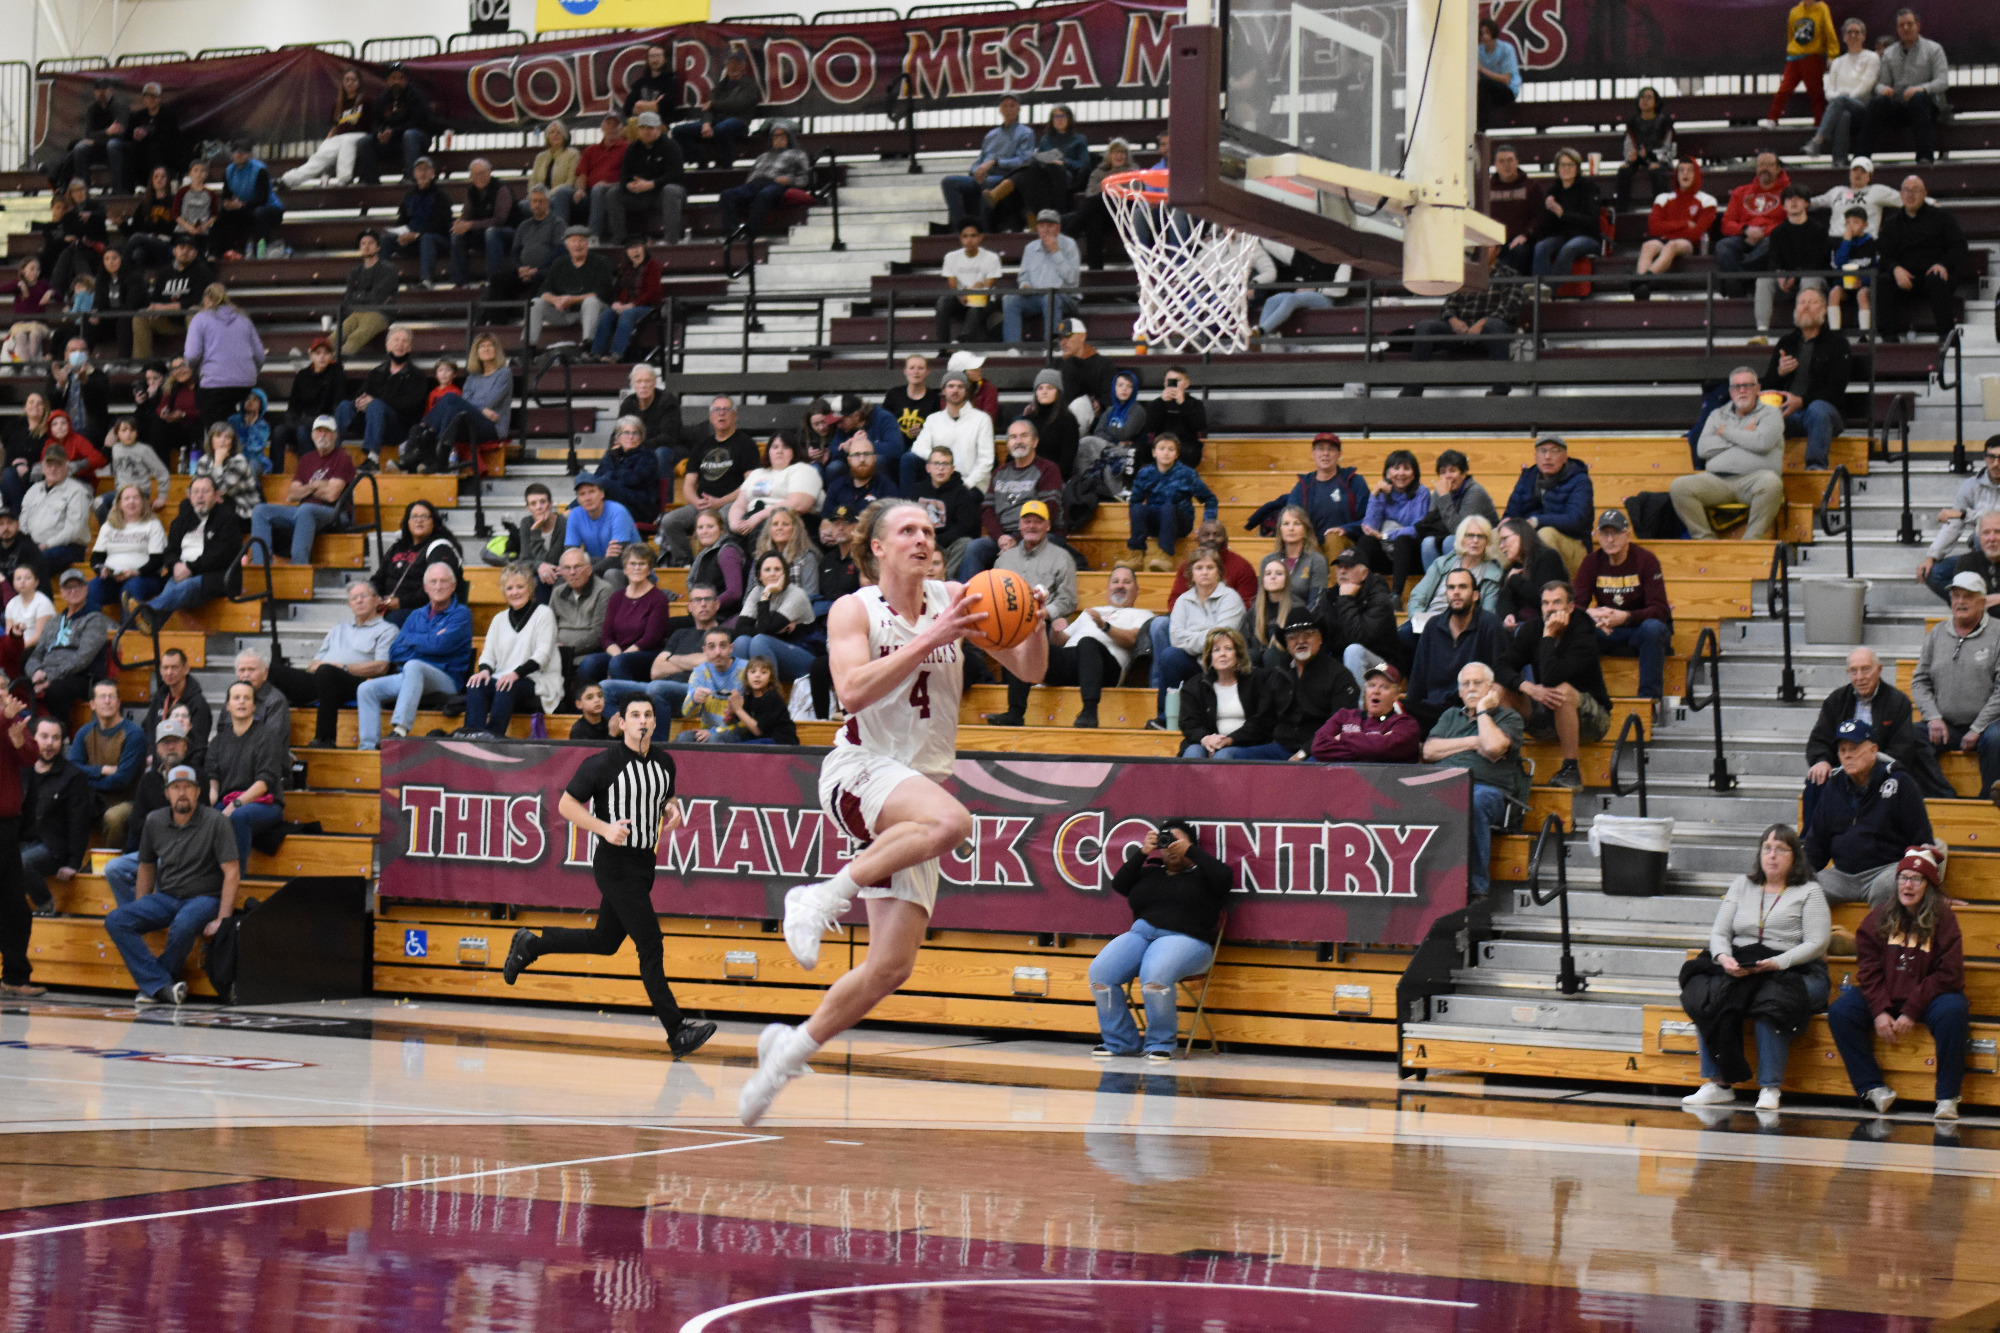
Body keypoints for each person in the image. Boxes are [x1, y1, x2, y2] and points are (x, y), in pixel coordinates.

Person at [740, 500, 1050, 1124]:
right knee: (952, 824)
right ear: (876, 546)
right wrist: (932, 638)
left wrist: (1033, 622)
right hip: (861, 768)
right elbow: (851, 691)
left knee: (890, 966)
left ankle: (786, 1054)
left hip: (919, 784)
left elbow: (1033, 671)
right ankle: (821, 897)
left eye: (930, 531)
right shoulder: (855, 608)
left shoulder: (962, 595)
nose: (922, 540)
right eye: (907, 530)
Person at [501, 691, 715, 1052]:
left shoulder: (665, 763)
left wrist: (672, 810)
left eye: (648, 714)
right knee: (650, 943)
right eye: (635, 715)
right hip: (615, 864)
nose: (643, 721)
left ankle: (531, 945)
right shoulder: (602, 764)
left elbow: (666, 796)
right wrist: (603, 828)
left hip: (646, 864)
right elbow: (567, 805)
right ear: (622, 723)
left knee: (605, 942)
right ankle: (676, 1029)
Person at [1678, 825, 1830, 1115]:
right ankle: (1718, 1084)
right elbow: (1719, 933)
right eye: (1767, 848)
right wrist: (1724, 958)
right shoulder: (1741, 885)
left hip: (1793, 968)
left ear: (1794, 856)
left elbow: (1817, 942)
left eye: (1781, 849)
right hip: (1743, 963)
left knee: (1769, 1000)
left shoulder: (1809, 891)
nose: (1772, 855)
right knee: (1706, 993)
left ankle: (1770, 1087)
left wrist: (1779, 962)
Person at [1826, 846, 1966, 1120]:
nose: (1908, 884)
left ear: (1929, 885)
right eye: (1903, 878)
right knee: (1841, 1012)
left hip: (1928, 997)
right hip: (1888, 991)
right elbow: (1868, 970)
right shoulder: (1878, 917)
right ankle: (1873, 1088)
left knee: (1954, 1010)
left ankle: (1947, 1097)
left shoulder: (1945, 920)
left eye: (1916, 878)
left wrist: (1911, 1009)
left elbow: (1948, 974)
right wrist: (1879, 1011)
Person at [1087, 819, 1232, 1061]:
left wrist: (1191, 852)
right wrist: (1143, 852)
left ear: (1191, 845)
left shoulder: (1205, 875)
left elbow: (1226, 878)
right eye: (1166, 842)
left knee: (1155, 975)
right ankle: (1120, 1042)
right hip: (1141, 934)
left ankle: (1160, 1043)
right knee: (1101, 973)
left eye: (1177, 842)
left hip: (1187, 938)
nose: (1170, 848)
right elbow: (1120, 884)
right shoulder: (1150, 872)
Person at [101, 763, 237, 1006]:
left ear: (198, 792)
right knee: (116, 920)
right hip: (166, 896)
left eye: (188, 787)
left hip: (205, 898)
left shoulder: (217, 822)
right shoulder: (154, 820)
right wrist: (142, 906)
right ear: (167, 793)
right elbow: (146, 866)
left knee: (183, 925)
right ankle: (162, 985)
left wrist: (222, 919)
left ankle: (155, 985)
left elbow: (232, 871)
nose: (182, 792)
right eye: (176, 787)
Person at [990, 563, 1152, 730]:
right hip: (1072, 661)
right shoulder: (1092, 611)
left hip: (1108, 668)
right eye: (1115, 581)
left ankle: (1089, 711)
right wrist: (1054, 629)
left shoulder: (1143, 614)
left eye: (1126, 582)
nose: (1120, 586)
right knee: (1027, 644)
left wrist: (1103, 625)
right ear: (1108, 588)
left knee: (1087, 642)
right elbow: (1060, 641)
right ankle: (1015, 712)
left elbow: (1134, 639)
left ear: (1137, 590)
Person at [1803, 718, 1940, 910]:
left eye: (1854, 749)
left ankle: (1880, 940)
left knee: (1886, 887)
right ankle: (1815, 940)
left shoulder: (1901, 782)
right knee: (1804, 889)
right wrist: (1795, 877)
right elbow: (1816, 844)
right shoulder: (1833, 786)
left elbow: (1921, 839)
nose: (1847, 756)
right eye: (1842, 750)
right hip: (1842, 876)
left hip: (1886, 870)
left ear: (1873, 750)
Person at [1423, 663, 1529, 898]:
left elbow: (1493, 747)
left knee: (1473, 800)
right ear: (1459, 691)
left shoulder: (1509, 717)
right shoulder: (1450, 716)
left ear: (1491, 688)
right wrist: (1473, 742)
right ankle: (1419, 883)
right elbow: (1429, 751)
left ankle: (1475, 890)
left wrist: (1482, 711)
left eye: (1477, 683)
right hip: (1445, 785)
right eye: (1465, 684)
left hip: (1489, 792)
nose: (1471, 689)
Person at [1807, 651, 1952, 816]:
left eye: (1866, 669)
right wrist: (1821, 760)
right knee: (1816, 779)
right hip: (1843, 771)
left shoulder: (1898, 701)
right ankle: (1809, 838)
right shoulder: (1836, 700)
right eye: (1854, 671)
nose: (1860, 677)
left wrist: (1868, 767)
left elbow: (1901, 751)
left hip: (1881, 773)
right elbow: (1819, 740)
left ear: (1879, 670)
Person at [1497, 580, 1610, 789]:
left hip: (1592, 720)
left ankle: (1571, 769)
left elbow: (1552, 677)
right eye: (1545, 603)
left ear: (1570, 606)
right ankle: (1504, 763)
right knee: (1498, 690)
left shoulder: (1584, 631)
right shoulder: (1532, 629)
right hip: (1547, 714)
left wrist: (1548, 635)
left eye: (1556, 602)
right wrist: (1527, 687)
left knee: (1561, 690)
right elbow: (1501, 666)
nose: (1550, 608)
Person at [354, 562, 473, 749]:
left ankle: (400, 730)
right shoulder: (416, 615)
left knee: (414, 665)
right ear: (425, 587)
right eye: (433, 582)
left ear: (453, 586)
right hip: (411, 676)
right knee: (366, 689)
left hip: (447, 679)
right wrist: (428, 640)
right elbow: (394, 651)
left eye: (443, 581)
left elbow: (440, 645)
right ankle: (368, 747)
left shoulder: (461, 614)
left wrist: (410, 640)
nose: (438, 586)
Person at [269, 580, 396, 750]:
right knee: (270, 671)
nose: (359, 601)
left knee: (327, 671)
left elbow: (382, 667)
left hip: (358, 683)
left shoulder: (387, 629)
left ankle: (325, 738)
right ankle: (268, 739)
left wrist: (342, 667)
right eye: (354, 598)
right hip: (324, 679)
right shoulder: (338, 629)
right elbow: (313, 664)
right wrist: (325, 667)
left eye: (363, 596)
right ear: (349, 604)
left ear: (377, 600)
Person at [1912, 572, 2000, 807]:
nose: (1960, 602)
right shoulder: (1936, 634)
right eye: (1956, 596)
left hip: (1990, 725)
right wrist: (1933, 718)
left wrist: (1978, 727)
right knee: (1909, 736)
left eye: (1968, 597)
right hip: (1947, 725)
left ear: (1983, 601)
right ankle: (1944, 798)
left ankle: (1988, 804)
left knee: (1997, 739)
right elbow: (1919, 681)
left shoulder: (1998, 633)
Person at [1673, 366, 1787, 540]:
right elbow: (1703, 449)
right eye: (1737, 386)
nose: (1742, 390)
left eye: (1748, 385)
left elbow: (1762, 442)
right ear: (1730, 391)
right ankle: (1705, 539)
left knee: (1772, 483)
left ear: (1758, 388)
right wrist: (1743, 432)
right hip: (1717, 480)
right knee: (1679, 487)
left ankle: (1751, 540)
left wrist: (1726, 432)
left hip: (1755, 480)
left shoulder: (1771, 413)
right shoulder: (1717, 414)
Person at [1572, 510, 1672, 701]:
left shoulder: (1646, 560)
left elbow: (1660, 610)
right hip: (1608, 630)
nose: (1610, 539)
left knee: (1653, 628)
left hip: (1639, 630)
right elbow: (1575, 606)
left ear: (1627, 535)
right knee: (1578, 627)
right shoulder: (1592, 561)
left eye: (1616, 533)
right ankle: (1586, 699)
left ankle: (1648, 701)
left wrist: (1626, 617)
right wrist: (1590, 615)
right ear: (1598, 537)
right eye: (1605, 534)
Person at [461, 564, 562, 740]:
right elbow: (488, 654)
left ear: (530, 588)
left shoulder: (544, 614)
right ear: (504, 592)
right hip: (504, 677)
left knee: (507, 684)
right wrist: (484, 670)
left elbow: (543, 655)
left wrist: (515, 674)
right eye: (509, 588)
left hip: (537, 680)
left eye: (520, 587)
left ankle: (493, 738)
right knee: (476, 683)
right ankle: (473, 736)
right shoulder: (498, 619)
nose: (515, 592)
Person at [602, 583, 726, 719]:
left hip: (693, 689)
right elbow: (656, 670)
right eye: (697, 600)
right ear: (689, 606)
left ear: (717, 605)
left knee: (656, 688)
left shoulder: (724, 634)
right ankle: (626, 725)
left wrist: (672, 659)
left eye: (707, 599)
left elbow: (710, 661)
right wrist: (692, 663)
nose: (703, 604)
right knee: (604, 688)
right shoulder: (680, 634)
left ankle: (653, 737)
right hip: (661, 686)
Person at [661, 396, 760, 565]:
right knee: (670, 521)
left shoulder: (746, 444)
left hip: (732, 503)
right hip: (702, 505)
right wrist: (697, 502)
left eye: (726, 410)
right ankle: (685, 562)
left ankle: (718, 563)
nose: (721, 414)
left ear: (735, 416)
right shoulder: (701, 446)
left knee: (721, 518)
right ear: (711, 417)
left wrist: (721, 501)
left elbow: (751, 483)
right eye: (717, 410)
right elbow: (688, 484)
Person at [1402, 258, 1521, 396]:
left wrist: (1483, 323)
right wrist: (1453, 320)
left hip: (1488, 333)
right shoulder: (1467, 274)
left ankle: (1501, 390)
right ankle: (1411, 390)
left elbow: (1510, 307)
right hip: (1460, 331)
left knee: (1495, 325)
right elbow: (1448, 305)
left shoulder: (1509, 275)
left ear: (1497, 250)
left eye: (1487, 245)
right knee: (1425, 326)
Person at [1406, 569, 1505, 733]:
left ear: (1475, 595)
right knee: (1400, 709)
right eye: (1451, 588)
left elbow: (1500, 677)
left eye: (1462, 587)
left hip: (1471, 709)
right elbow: (1417, 679)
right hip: (1433, 711)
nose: (1456, 592)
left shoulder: (1490, 625)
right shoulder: (1432, 626)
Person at [1761, 286, 1849, 470]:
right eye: (1801, 303)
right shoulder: (1786, 342)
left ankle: (1815, 469)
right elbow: (1766, 387)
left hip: (1825, 416)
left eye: (1812, 302)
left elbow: (1836, 389)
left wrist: (1801, 401)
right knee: (1764, 414)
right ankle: (1760, 469)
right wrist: (1779, 373)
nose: (1806, 307)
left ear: (1824, 309)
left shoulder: (1837, 343)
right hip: (1789, 414)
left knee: (1817, 410)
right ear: (1795, 310)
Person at [247, 415, 352, 567]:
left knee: (305, 509)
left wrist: (306, 489)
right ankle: (261, 566)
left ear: (335, 436)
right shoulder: (306, 459)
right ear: (312, 435)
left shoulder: (342, 458)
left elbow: (331, 495)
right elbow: (292, 495)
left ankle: (298, 566)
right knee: (260, 510)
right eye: (319, 431)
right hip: (304, 511)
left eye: (327, 431)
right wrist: (316, 485)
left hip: (334, 513)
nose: (322, 435)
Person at [1875, 175, 1966, 344]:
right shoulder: (1891, 223)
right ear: (1900, 195)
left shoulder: (1942, 217)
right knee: (1883, 280)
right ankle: (1889, 338)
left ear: (1925, 193)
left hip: (1934, 275)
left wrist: (1943, 264)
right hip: (1905, 279)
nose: (1910, 195)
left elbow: (1959, 246)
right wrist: (1895, 268)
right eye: (1906, 191)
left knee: (1937, 279)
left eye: (1915, 191)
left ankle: (1947, 337)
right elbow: (1883, 255)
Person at [207, 679, 286, 876]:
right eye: (236, 698)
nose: (241, 702)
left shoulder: (267, 737)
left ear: (254, 705)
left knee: (238, 817)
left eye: (246, 698)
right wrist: (211, 800)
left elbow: (264, 782)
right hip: (227, 800)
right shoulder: (218, 741)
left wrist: (236, 804)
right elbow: (213, 776)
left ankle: (236, 878)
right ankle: (205, 878)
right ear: (228, 706)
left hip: (264, 804)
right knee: (206, 818)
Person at [20, 715, 94, 916]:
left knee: (21, 862)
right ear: (33, 738)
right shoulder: (21, 770)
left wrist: (73, 863)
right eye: (44, 737)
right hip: (22, 841)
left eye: (55, 738)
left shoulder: (73, 776)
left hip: (52, 847)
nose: (49, 743)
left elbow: (79, 823)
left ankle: (45, 905)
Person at [1175, 627, 1285, 759]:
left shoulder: (1258, 681)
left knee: (1223, 757)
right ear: (1210, 657)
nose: (1222, 654)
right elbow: (1189, 723)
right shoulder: (1194, 686)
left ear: (1238, 655)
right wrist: (1206, 739)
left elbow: (1261, 722)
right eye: (1216, 650)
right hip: (1206, 742)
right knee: (1193, 752)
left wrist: (1230, 740)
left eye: (1228, 649)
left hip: (1244, 744)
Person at [411, 332, 512, 476]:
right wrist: (481, 409)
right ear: (476, 352)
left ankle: (424, 434)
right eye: (482, 346)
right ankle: (441, 459)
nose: (486, 349)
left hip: (492, 427)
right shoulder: (472, 377)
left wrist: (478, 408)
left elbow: (489, 400)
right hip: (471, 421)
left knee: (451, 397)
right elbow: (465, 402)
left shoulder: (504, 373)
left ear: (497, 350)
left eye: (490, 345)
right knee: (451, 407)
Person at [578, 545, 675, 687]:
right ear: (625, 569)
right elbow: (606, 636)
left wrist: (621, 657)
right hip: (618, 654)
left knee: (619, 663)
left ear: (649, 569)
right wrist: (618, 654)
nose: (637, 568)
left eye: (642, 564)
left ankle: (629, 705)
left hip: (646, 654)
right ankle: (585, 708)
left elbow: (651, 638)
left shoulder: (658, 598)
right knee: (590, 663)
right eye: (633, 564)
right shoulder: (616, 597)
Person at [1861, 9, 1948, 164]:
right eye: (1902, 25)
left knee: (1918, 98)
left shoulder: (1934, 49)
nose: (1906, 28)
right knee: (1876, 102)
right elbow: (1880, 83)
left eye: (1910, 24)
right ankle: (1861, 159)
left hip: (1925, 107)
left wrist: (1921, 88)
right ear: (1897, 29)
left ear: (1918, 25)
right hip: (1899, 107)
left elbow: (1943, 81)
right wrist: (1882, 89)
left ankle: (1924, 158)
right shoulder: (1889, 53)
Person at [335, 323, 427, 471]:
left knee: (376, 405)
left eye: (404, 341)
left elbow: (410, 405)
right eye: (396, 340)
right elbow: (362, 394)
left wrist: (376, 402)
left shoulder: (417, 375)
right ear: (388, 345)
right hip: (372, 421)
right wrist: (360, 402)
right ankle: (332, 453)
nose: (400, 344)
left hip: (399, 428)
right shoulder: (377, 372)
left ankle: (372, 458)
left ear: (410, 347)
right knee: (345, 405)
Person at [1917, 439, 2000, 598]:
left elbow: (1994, 521)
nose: (1996, 463)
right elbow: (1952, 524)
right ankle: (1971, 609)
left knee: (1981, 535)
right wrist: (1932, 556)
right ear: (1984, 457)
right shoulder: (1971, 486)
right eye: (1991, 457)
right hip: (1982, 558)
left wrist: (1964, 514)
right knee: (1933, 573)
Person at [941, 96, 1037, 231]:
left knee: (989, 182)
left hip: (1006, 177)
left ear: (1019, 109)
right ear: (1000, 109)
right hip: (984, 175)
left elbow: (1023, 160)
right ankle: (961, 228)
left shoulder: (1026, 133)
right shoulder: (991, 135)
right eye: (1005, 105)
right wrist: (976, 171)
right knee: (949, 182)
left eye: (1012, 105)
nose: (1008, 109)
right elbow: (981, 159)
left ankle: (983, 229)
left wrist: (996, 163)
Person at [1502, 435, 1594, 575]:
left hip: (1574, 546)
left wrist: (1536, 521)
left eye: (1554, 451)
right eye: (1542, 451)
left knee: (1546, 534)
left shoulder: (1580, 480)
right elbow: (1511, 513)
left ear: (1564, 457)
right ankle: (1497, 591)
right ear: (1535, 456)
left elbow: (1575, 519)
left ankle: (1544, 589)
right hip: (1529, 543)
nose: (1547, 456)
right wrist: (1508, 525)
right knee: (1496, 536)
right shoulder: (1528, 477)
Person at [27, 570, 111, 721]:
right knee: (20, 681)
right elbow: (37, 653)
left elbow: (82, 658)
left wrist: (50, 677)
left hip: (81, 676)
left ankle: (60, 733)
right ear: (62, 593)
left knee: (56, 690)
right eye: (68, 588)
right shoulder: (53, 621)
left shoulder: (95, 619)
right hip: (48, 672)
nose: (73, 591)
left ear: (86, 589)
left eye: (78, 586)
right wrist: (35, 672)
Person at [70, 678, 145, 849]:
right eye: (102, 697)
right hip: (93, 798)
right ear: (92, 704)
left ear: (118, 703)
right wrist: (100, 770)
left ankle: (108, 866)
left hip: (127, 801)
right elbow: (71, 768)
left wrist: (85, 780)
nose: (107, 701)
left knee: (113, 817)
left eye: (111, 697)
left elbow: (120, 780)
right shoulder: (84, 732)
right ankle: (72, 863)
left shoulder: (134, 734)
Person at [1754, 186, 1831, 342]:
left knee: (1809, 279)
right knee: (1763, 280)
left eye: (1798, 198)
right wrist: (1780, 275)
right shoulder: (1777, 232)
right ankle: (1762, 333)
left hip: (1813, 279)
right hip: (1787, 281)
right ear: (1783, 206)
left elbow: (1817, 262)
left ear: (1807, 204)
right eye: (1789, 199)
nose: (1793, 201)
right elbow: (1774, 260)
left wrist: (1795, 276)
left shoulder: (1819, 230)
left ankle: (1804, 331)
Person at [1354, 450, 1431, 601]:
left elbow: (1417, 529)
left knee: (1403, 539)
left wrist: (1386, 535)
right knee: (1365, 541)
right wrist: (1375, 494)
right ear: (1388, 473)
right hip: (1387, 554)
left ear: (1414, 474)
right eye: (1396, 468)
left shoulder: (1422, 493)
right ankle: (1360, 593)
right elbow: (1370, 527)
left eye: (1406, 468)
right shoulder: (1382, 493)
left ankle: (1396, 596)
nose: (1401, 473)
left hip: (1411, 556)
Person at [905, 371, 995, 496]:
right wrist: (940, 460)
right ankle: (904, 507)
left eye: (960, 386)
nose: (955, 390)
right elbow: (918, 447)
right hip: (939, 481)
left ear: (966, 391)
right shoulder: (933, 419)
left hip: (970, 484)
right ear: (943, 391)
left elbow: (986, 461)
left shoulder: (982, 419)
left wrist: (966, 484)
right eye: (951, 386)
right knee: (908, 459)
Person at [993, 500, 1078, 633]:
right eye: (1027, 521)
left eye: (1038, 521)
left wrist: (1044, 613)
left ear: (1048, 526)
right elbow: (994, 594)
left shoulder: (1062, 557)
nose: (1032, 526)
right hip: (1008, 622)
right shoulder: (1004, 559)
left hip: (1044, 623)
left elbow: (1068, 600)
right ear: (1020, 525)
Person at [1323, 547, 1405, 683]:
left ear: (1364, 573)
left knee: (1353, 651)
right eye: (1339, 567)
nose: (1342, 571)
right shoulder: (1330, 596)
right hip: (1345, 660)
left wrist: (1346, 600)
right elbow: (1327, 638)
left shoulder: (1379, 598)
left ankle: (1360, 704)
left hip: (1386, 665)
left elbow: (1359, 638)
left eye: (1348, 567)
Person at [1311, 661, 1419, 764]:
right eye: (1371, 685)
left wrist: (1343, 737)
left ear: (1395, 695)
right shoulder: (1343, 716)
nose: (1376, 691)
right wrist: (1371, 749)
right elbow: (1318, 746)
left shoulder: (1406, 725)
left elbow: (1381, 748)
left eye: (1384, 687)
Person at [1803, 17, 1878, 163]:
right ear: (1844, 37)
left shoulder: (1872, 57)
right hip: (1841, 108)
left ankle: (1818, 140)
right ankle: (1839, 160)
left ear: (1863, 36)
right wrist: (1840, 98)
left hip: (1862, 109)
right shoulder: (1837, 62)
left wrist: (1845, 98)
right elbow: (1829, 91)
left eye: (1857, 32)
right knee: (1843, 115)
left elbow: (1866, 85)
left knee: (1842, 103)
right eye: (1849, 32)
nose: (1853, 35)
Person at [1715, 152, 1792, 293]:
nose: (1764, 168)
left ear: (1778, 169)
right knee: (1723, 246)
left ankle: (1735, 279)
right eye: (1761, 164)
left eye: (1769, 165)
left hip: (1770, 238)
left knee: (1772, 243)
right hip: (1744, 236)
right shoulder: (1741, 192)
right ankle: (1738, 286)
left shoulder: (1788, 192)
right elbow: (1726, 224)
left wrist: (1763, 232)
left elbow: (1789, 223)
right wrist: (1745, 230)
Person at [282, 68, 372, 190]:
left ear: (359, 82)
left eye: (353, 80)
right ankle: (288, 180)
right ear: (343, 83)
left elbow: (371, 124)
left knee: (348, 142)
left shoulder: (366, 101)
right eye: (347, 80)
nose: (350, 83)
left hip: (360, 136)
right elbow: (335, 127)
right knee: (319, 157)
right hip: (340, 137)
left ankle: (344, 179)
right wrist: (327, 142)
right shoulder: (339, 103)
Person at [370, 498, 460, 619]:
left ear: (433, 522)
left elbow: (437, 587)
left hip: (419, 609)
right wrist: (373, 597)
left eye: (424, 516)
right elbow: (378, 578)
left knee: (390, 621)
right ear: (407, 522)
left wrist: (401, 602)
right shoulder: (398, 547)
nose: (419, 520)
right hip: (388, 606)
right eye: (414, 516)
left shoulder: (440, 548)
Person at [1004, 210, 1082, 345]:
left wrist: (1055, 252)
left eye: (1050, 225)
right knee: (1009, 300)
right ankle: (1013, 348)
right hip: (1035, 296)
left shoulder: (1069, 245)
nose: (1045, 230)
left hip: (1064, 296)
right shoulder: (1030, 248)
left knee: (1050, 297)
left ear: (1058, 228)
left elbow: (1073, 280)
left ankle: (1050, 346)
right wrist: (1024, 285)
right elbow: (1023, 276)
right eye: (1041, 226)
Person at [672, 48, 760, 168]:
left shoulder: (750, 85)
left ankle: (726, 166)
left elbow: (738, 105)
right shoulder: (720, 86)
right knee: (678, 131)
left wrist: (714, 105)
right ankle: (700, 162)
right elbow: (707, 108)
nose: (733, 66)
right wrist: (706, 123)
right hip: (716, 121)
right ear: (726, 65)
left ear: (743, 65)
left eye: (737, 63)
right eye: (730, 63)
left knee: (721, 129)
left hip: (739, 122)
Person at [529, 226, 614, 348]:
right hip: (565, 312)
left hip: (592, 312)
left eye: (581, 240)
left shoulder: (601, 262)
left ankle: (588, 345)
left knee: (590, 302)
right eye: (573, 241)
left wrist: (571, 299)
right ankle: (529, 348)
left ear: (588, 243)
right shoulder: (559, 263)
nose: (577, 245)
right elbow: (543, 291)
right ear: (567, 245)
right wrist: (555, 300)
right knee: (535, 303)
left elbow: (603, 292)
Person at [728, 433, 823, 542]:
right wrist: (735, 524)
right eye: (775, 447)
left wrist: (757, 518)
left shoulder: (803, 469)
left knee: (759, 534)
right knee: (728, 543)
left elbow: (799, 504)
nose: (779, 451)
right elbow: (740, 504)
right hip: (750, 520)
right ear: (768, 451)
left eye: (786, 447)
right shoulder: (757, 473)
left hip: (784, 522)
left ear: (795, 451)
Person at [91, 481, 166, 616]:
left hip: (144, 577)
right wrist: (102, 570)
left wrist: (135, 572)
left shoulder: (153, 524)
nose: (131, 502)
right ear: (119, 504)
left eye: (136, 498)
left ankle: (127, 635)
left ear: (143, 502)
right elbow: (96, 557)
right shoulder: (108, 526)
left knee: (130, 591)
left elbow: (157, 560)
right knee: (88, 591)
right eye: (127, 498)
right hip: (113, 577)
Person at [610, 113, 687, 245]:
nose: (646, 131)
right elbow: (624, 176)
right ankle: (620, 240)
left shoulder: (671, 146)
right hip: (641, 195)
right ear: (638, 130)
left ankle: (670, 241)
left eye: (650, 128)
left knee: (671, 190)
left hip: (663, 194)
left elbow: (676, 174)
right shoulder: (633, 149)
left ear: (658, 129)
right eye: (643, 128)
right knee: (613, 193)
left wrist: (652, 184)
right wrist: (629, 185)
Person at [1762, 0, 1838, 129]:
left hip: (1812, 57)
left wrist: (1832, 54)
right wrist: (1791, 50)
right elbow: (1791, 35)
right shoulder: (1795, 11)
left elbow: (1829, 32)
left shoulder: (1822, 9)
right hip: (1794, 58)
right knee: (1784, 89)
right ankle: (1772, 118)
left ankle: (1819, 123)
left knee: (1816, 93)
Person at [910, 446, 984, 577]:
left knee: (965, 543)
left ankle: (944, 579)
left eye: (945, 464)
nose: (941, 468)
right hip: (921, 541)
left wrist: (937, 541)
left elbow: (965, 526)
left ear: (952, 469)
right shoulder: (917, 489)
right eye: (936, 463)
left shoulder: (962, 493)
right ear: (928, 468)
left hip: (947, 545)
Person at [20, 447, 93, 581]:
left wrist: (46, 544)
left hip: (68, 547)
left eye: (58, 464)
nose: (53, 469)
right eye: (49, 464)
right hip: (35, 546)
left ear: (67, 468)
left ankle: (39, 598)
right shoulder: (33, 490)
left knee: (38, 561)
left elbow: (74, 530)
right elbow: (23, 523)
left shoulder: (77, 492)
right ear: (43, 468)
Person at [1530, 148, 1601, 281]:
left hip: (1587, 237)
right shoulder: (1553, 190)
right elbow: (1546, 226)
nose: (1566, 168)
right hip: (1562, 236)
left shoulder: (1588, 188)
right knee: (1541, 247)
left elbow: (1591, 220)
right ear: (1557, 168)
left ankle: (1548, 291)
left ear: (1577, 168)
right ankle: (1538, 288)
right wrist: (1548, 210)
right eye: (1563, 165)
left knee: (1569, 248)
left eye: (1570, 165)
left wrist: (1563, 214)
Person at [591, 237, 664, 364]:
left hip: (647, 306)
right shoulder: (624, 268)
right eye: (631, 248)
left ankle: (616, 354)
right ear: (627, 252)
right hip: (626, 305)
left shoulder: (653, 266)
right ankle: (596, 352)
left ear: (644, 249)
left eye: (638, 247)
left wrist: (631, 305)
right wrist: (615, 302)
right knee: (607, 313)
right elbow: (616, 289)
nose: (635, 251)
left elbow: (652, 293)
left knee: (627, 314)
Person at [445, 158, 513, 291]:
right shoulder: (471, 191)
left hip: (508, 233)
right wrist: (459, 225)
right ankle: (460, 283)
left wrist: (470, 225)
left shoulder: (501, 189)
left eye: (482, 173)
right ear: (471, 176)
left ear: (490, 172)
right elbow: (465, 217)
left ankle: (493, 282)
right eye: (475, 174)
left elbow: (500, 220)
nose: (479, 177)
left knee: (492, 232)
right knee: (457, 234)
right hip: (483, 234)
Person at [551, 546, 612, 692]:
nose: (572, 572)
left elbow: (598, 634)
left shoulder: (604, 590)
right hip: (558, 652)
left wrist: (566, 650)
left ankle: (576, 709)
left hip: (590, 653)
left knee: (589, 665)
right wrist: (551, 647)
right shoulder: (557, 592)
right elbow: (548, 627)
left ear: (589, 569)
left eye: (577, 567)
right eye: (567, 568)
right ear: (562, 572)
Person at [212, 141, 284, 262]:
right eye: (236, 152)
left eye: (243, 152)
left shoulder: (260, 170)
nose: (239, 155)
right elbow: (226, 194)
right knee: (221, 215)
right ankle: (218, 253)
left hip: (269, 208)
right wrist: (228, 204)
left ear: (249, 154)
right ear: (232, 154)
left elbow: (263, 199)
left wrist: (242, 205)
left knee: (259, 214)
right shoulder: (228, 171)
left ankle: (259, 254)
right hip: (245, 208)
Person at [387, 156, 452, 287]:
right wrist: (402, 234)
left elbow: (442, 225)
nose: (422, 173)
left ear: (433, 173)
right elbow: (401, 221)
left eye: (426, 169)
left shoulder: (441, 195)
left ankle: (426, 280)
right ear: (414, 173)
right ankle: (383, 280)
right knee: (386, 239)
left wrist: (417, 234)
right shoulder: (409, 196)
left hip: (436, 240)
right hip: (412, 240)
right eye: (419, 170)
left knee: (427, 238)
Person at [141, 647, 211, 765]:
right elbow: (148, 729)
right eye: (165, 668)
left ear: (186, 669)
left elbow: (198, 746)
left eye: (174, 667)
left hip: (185, 768)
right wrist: (150, 755)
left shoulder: (198, 704)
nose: (169, 672)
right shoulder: (159, 697)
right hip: (157, 765)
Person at [563, 472, 641, 576]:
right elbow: (571, 556)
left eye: (592, 491)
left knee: (611, 574)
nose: (588, 498)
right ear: (578, 500)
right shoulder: (575, 515)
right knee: (563, 575)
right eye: (582, 494)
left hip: (631, 570)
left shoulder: (618, 511)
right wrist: (604, 558)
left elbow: (618, 559)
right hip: (598, 569)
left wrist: (586, 570)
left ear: (602, 494)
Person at [366, 63, 432, 184]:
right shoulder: (382, 99)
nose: (397, 81)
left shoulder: (415, 95)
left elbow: (417, 122)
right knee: (365, 140)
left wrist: (394, 132)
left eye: (401, 78)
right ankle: (370, 180)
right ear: (388, 80)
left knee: (410, 135)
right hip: (390, 141)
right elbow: (374, 123)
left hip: (417, 139)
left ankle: (410, 177)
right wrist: (379, 134)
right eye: (393, 78)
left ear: (406, 80)